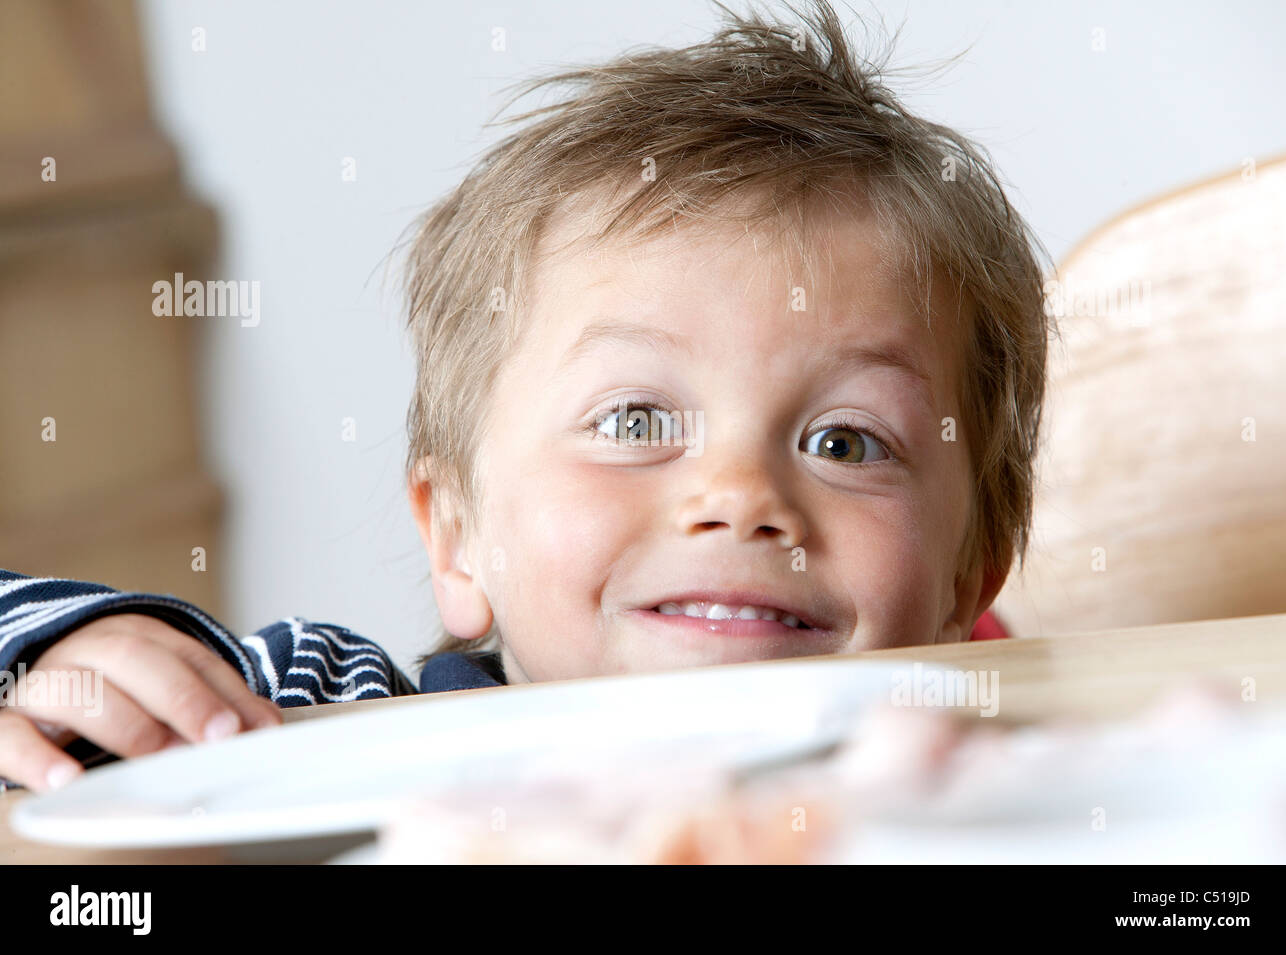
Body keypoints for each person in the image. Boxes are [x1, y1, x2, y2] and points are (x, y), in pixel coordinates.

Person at [0, 0, 1049, 793]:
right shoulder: (322, 709)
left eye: (846, 441)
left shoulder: (988, 776)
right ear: (457, 537)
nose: (737, 495)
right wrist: (56, 660)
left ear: (972, 577)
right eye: (635, 421)